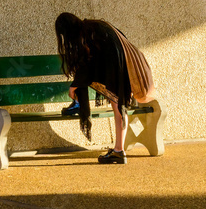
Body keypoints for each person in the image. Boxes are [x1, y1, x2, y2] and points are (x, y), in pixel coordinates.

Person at [54, 12, 156, 164]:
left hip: (115, 69)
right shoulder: (94, 26)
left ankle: (119, 151)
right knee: (118, 108)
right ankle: (118, 149)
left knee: (118, 109)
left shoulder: (87, 34)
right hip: (122, 65)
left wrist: (73, 87)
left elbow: (87, 66)